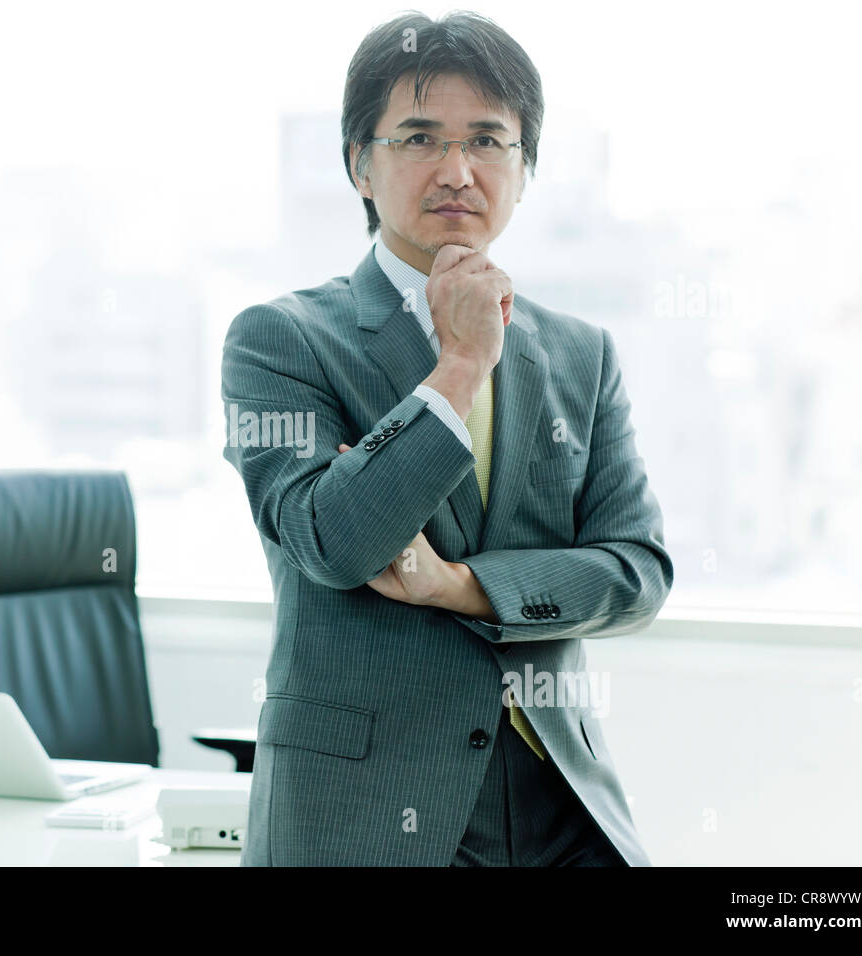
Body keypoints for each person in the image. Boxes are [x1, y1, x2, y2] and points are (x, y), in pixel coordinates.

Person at [220, 10, 673, 866]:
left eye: (489, 142)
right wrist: (459, 365)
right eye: (420, 137)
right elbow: (334, 540)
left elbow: (638, 572)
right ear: (360, 163)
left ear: (525, 168)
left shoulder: (582, 352)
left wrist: (463, 586)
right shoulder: (279, 341)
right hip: (368, 815)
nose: (458, 171)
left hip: (563, 809)